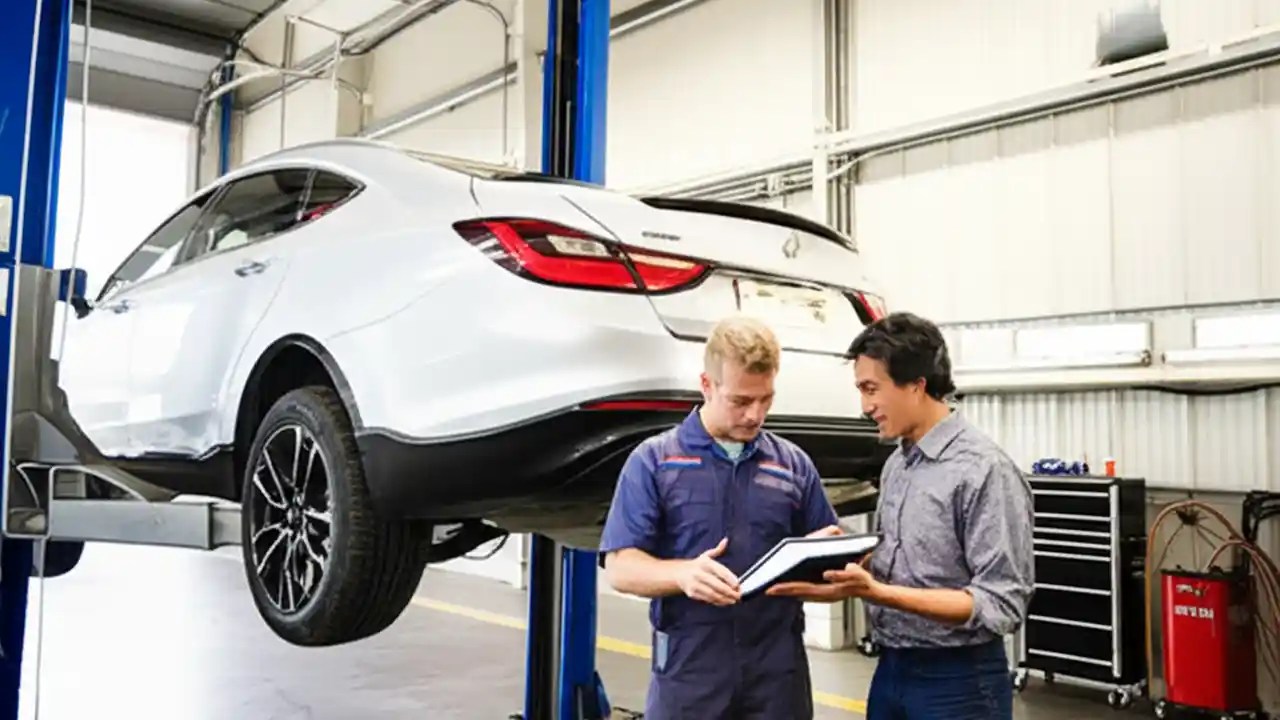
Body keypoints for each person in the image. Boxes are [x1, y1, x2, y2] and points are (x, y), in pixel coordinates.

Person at [768, 311, 1035, 720]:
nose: (865, 406)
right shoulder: (897, 465)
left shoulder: (984, 471)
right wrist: (844, 560)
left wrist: (875, 592)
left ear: (916, 385)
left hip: (960, 681)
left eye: (871, 389)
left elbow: (1001, 601)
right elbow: (910, 559)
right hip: (892, 669)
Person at [598, 315, 842, 720]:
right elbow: (621, 568)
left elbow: (836, 573)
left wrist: (831, 562)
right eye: (741, 401)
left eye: (765, 399)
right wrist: (682, 575)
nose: (755, 415)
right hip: (690, 675)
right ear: (707, 386)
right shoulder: (655, 461)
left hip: (777, 679)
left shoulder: (793, 465)